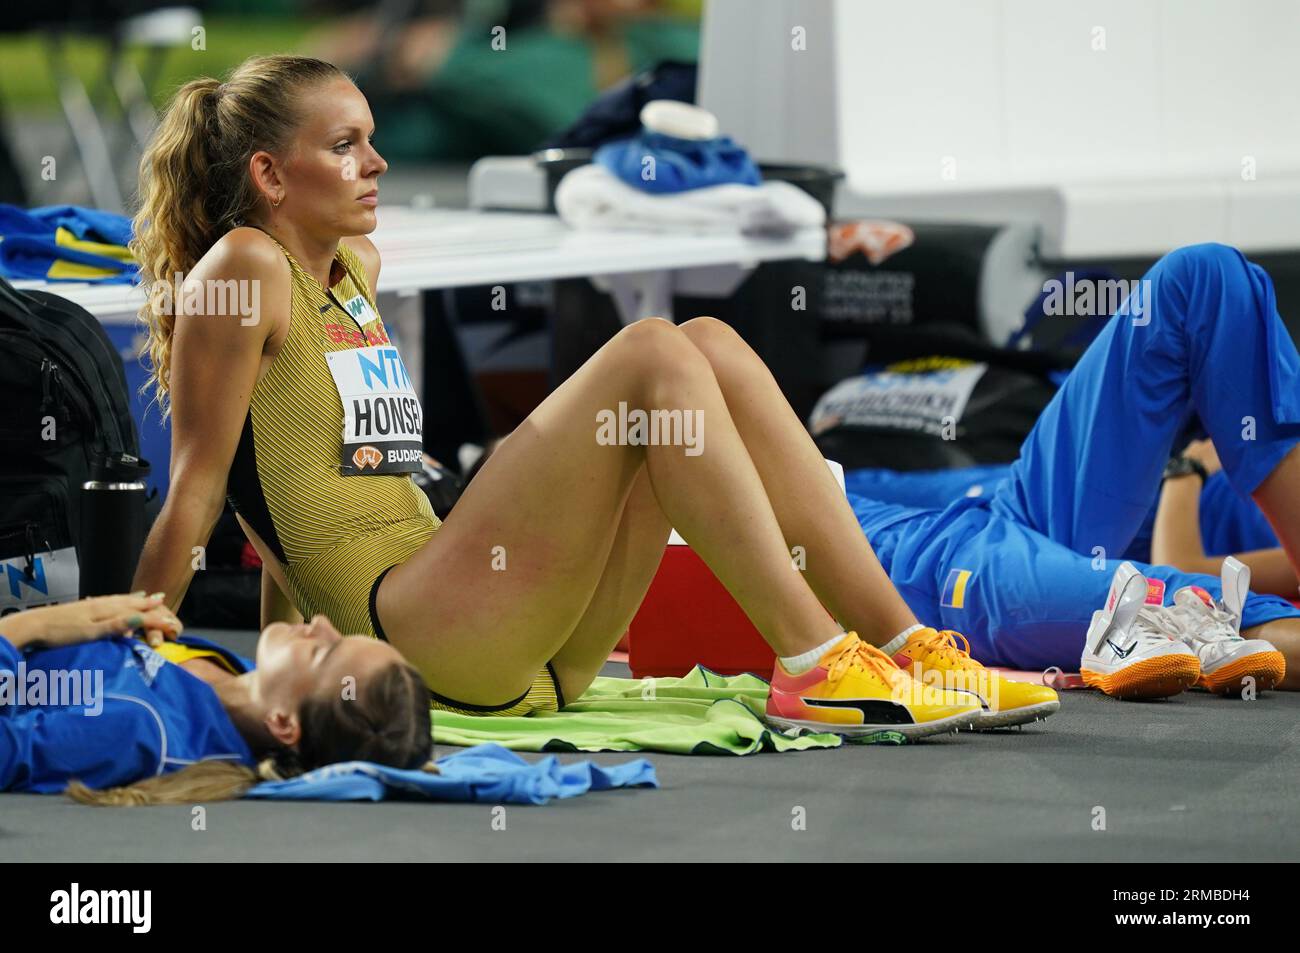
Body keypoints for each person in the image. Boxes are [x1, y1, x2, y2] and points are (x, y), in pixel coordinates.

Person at [127, 54, 1056, 739]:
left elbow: (298, 483)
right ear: (269, 175)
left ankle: (902, 642)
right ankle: (814, 660)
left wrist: (290, 634)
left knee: (710, 348)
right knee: (652, 353)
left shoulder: (353, 269)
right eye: (345, 146)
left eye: (373, 139)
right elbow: (206, 491)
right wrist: (131, 653)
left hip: (526, 648)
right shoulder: (243, 269)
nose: (376, 162)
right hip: (420, 629)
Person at [839, 244, 1300, 694]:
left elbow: (1179, 566)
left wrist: (1186, 472)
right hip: (1052, 512)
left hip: (1067, 542)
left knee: (908, 539)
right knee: (1202, 275)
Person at [0, 593, 432, 802]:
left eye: (321, 652)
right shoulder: (239, 674)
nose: (319, 622)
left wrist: (31, 627)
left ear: (283, 722)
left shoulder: (139, 731)